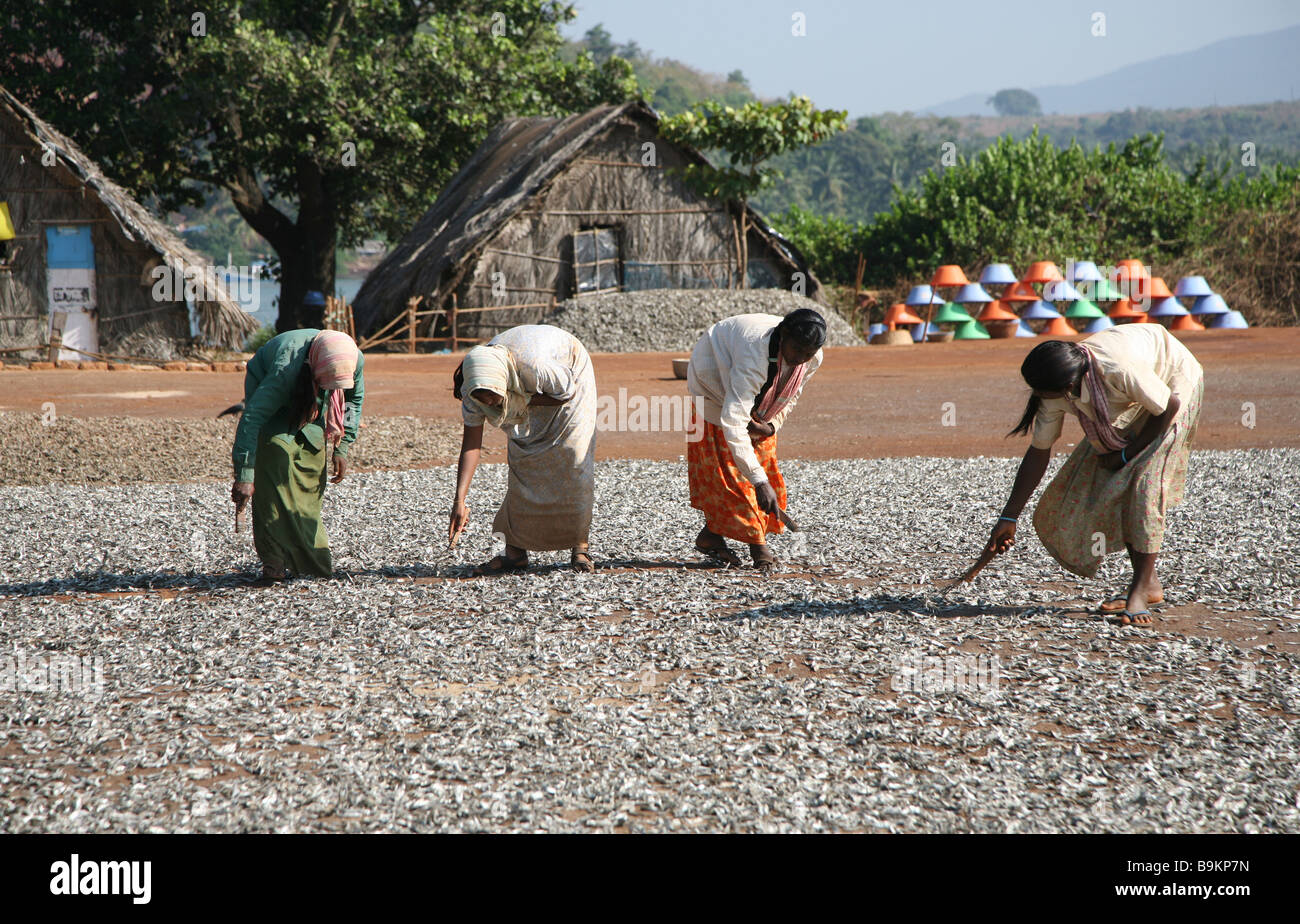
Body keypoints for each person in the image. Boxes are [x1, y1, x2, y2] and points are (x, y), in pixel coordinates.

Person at [988, 324, 1203, 625]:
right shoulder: (1055, 389)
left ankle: (1139, 591)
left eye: (1043, 392)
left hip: (1174, 385)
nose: (1038, 398)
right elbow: (1039, 450)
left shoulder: (1118, 368)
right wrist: (1009, 517)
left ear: (1069, 387)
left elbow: (1168, 405)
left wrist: (1126, 455)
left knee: (1143, 487)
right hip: (1140, 397)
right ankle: (1150, 584)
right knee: (1111, 483)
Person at [449, 324, 596, 574]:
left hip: (570, 373)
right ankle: (515, 553)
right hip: (521, 383)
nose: (490, 405)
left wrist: (522, 400)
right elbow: (472, 444)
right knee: (523, 457)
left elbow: (565, 394)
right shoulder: (474, 387)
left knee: (572, 458)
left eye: (494, 399)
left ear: (503, 385)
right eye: (485, 401)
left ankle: (579, 548)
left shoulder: (535, 367)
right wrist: (459, 500)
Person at [685, 309, 826, 570]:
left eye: (807, 354)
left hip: (760, 402)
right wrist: (759, 482)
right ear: (783, 336)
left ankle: (710, 536)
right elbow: (733, 422)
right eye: (797, 351)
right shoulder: (753, 356)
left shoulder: (812, 357)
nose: (800, 360)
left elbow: (792, 395)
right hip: (713, 378)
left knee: (765, 468)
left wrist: (771, 426)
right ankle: (758, 547)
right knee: (735, 478)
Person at [231, 329, 364, 582]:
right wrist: (245, 475)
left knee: (312, 471)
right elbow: (252, 419)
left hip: (317, 392)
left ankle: (311, 558)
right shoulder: (284, 372)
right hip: (273, 394)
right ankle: (274, 560)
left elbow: (352, 401)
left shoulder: (352, 359)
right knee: (274, 463)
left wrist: (342, 447)